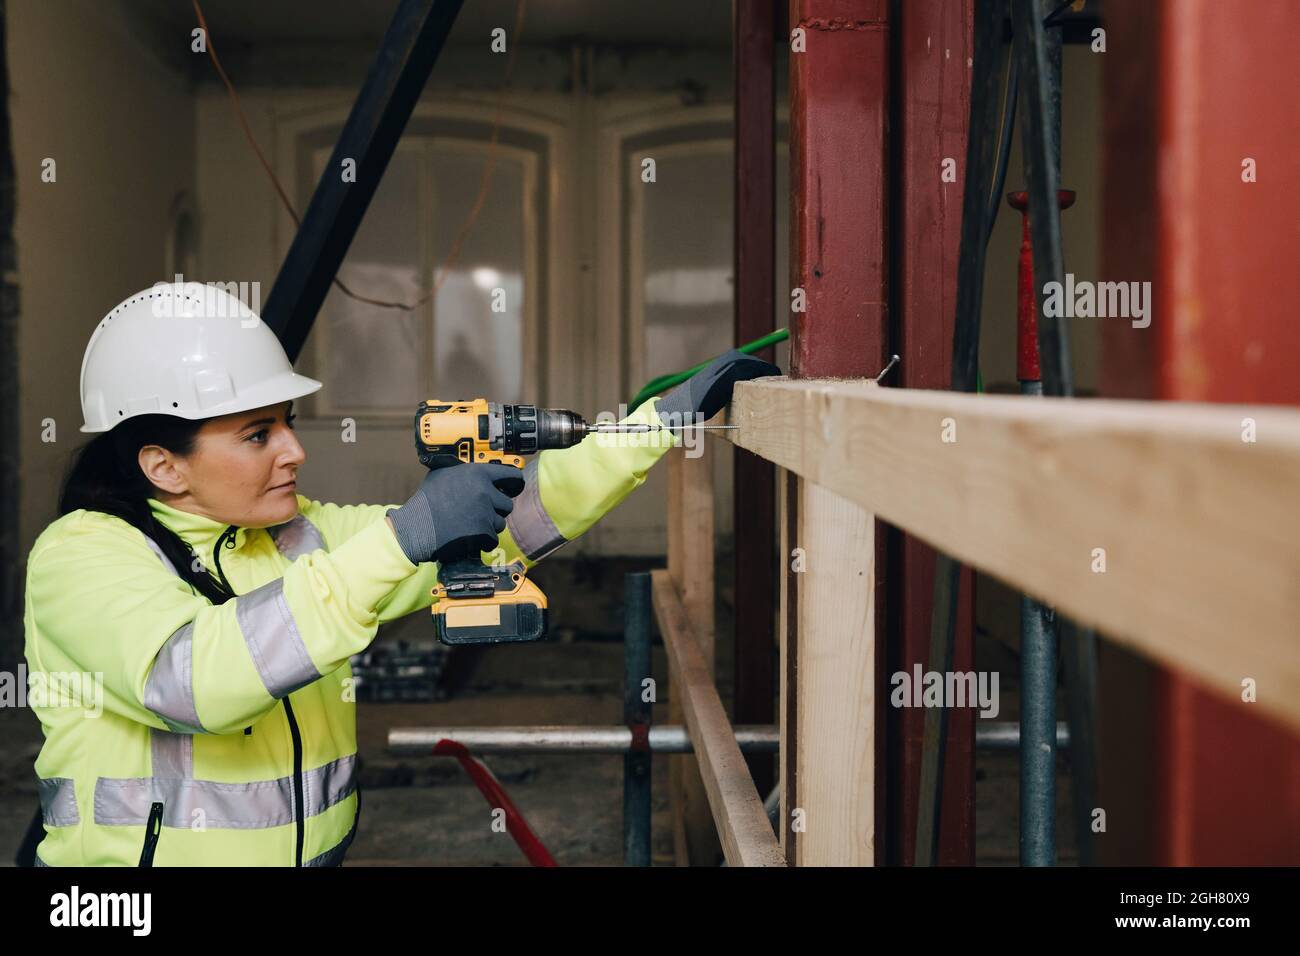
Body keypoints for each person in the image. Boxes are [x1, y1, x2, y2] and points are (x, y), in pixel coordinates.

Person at [22, 281, 778, 866]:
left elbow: (510, 521)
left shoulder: (291, 538)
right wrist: (404, 534)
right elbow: (192, 681)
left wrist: (653, 426)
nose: (293, 449)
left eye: (286, 422)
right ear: (162, 465)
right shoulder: (81, 556)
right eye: (258, 434)